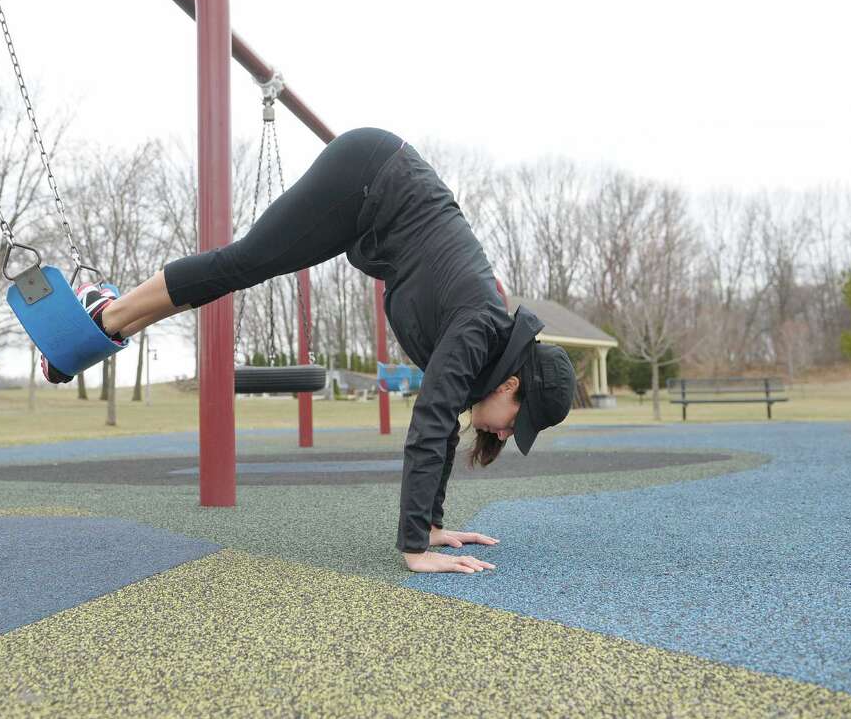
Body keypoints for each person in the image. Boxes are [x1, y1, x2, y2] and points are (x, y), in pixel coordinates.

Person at [43, 127, 576, 575]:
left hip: (372, 200)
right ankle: (106, 313)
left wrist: (432, 528)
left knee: (244, 267)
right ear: (511, 384)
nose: (505, 433)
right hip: (369, 175)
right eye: (516, 421)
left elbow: (441, 424)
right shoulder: (480, 326)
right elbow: (430, 423)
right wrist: (415, 547)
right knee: (243, 262)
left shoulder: (483, 345)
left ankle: (105, 320)